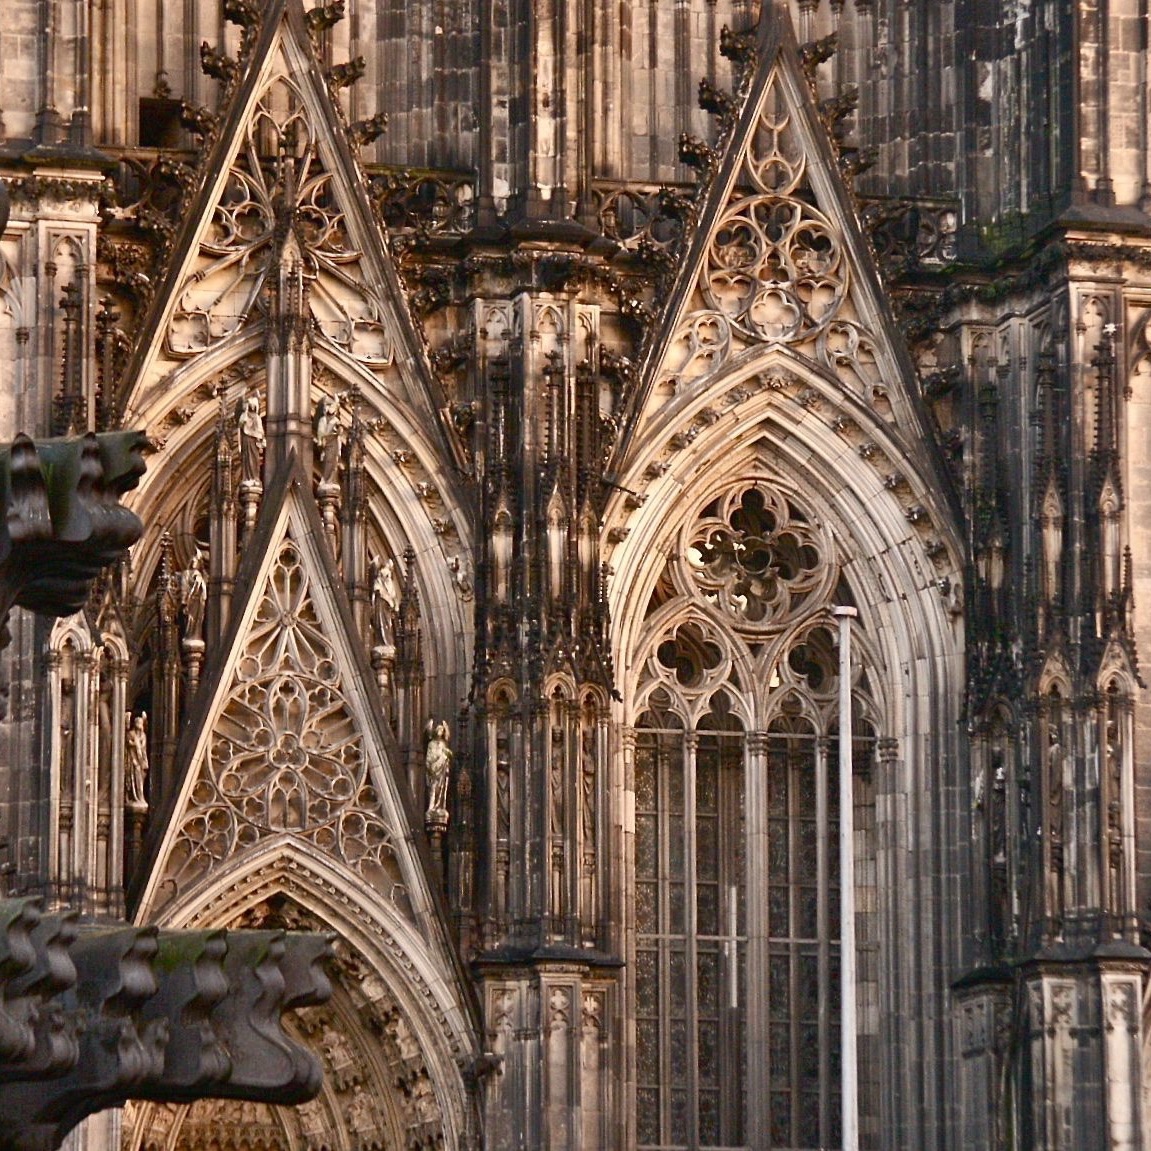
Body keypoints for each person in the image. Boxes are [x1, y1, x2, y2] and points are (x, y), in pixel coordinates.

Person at [313, 393, 344, 483]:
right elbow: (321, 433)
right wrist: (320, 441)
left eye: (330, 406)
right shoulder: (323, 420)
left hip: (334, 444)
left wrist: (338, 431)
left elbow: (340, 431)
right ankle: (326, 479)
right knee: (328, 461)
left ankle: (330, 480)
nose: (328, 408)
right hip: (327, 444)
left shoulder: (336, 420)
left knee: (333, 463)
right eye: (327, 405)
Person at [424, 719, 452, 816]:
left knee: (441, 788)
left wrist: (446, 757)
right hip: (434, 769)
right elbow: (429, 757)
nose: (440, 732)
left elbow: (446, 754)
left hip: (442, 769)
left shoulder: (444, 744)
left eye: (441, 730)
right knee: (433, 788)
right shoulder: (431, 744)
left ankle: (440, 805)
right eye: (438, 730)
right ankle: (431, 806)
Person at [369, 556, 399, 647]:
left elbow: (393, 595)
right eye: (382, 575)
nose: (385, 578)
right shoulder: (378, 583)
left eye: (387, 576)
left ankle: (386, 641)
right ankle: (382, 640)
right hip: (380, 605)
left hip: (386, 608)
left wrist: (394, 604)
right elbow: (375, 589)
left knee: (387, 624)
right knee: (380, 623)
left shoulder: (389, 584)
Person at [180, 547, 207, 641]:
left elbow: (201, 589)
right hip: (190, 601)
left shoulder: (200, 575)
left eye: (196, 561)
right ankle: (190, 635)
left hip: (197, 602)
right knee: (189, 620)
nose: (194, 563)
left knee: (196, 621)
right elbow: (184, 587)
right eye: (193, 561)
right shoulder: (186, 573)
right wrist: (185, 600)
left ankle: (195, 635)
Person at [238, 393, 265, 483]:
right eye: (250, 406)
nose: (252, 408)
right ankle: (247, 477)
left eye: (254, 406)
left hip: (254, 442)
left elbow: (260, 431)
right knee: (247, 459)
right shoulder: (244, 416)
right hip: (247, 441)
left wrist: (260, 438)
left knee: (254, 459)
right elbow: (241, 424)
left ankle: (254, 477)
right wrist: (245, 412)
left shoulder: (257, 418)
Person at [125, 711, 149, 807]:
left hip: (141, 760)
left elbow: (142, 747)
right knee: (134, 777)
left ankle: (140, 797)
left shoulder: (143, 736)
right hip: (133, 760)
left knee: (141, 777)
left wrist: (137, 743)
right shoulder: (130, 734)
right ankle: (134, 797)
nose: (139, 725)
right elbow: (129, 743)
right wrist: (135, 743)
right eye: (137, 723)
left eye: (140, 723)